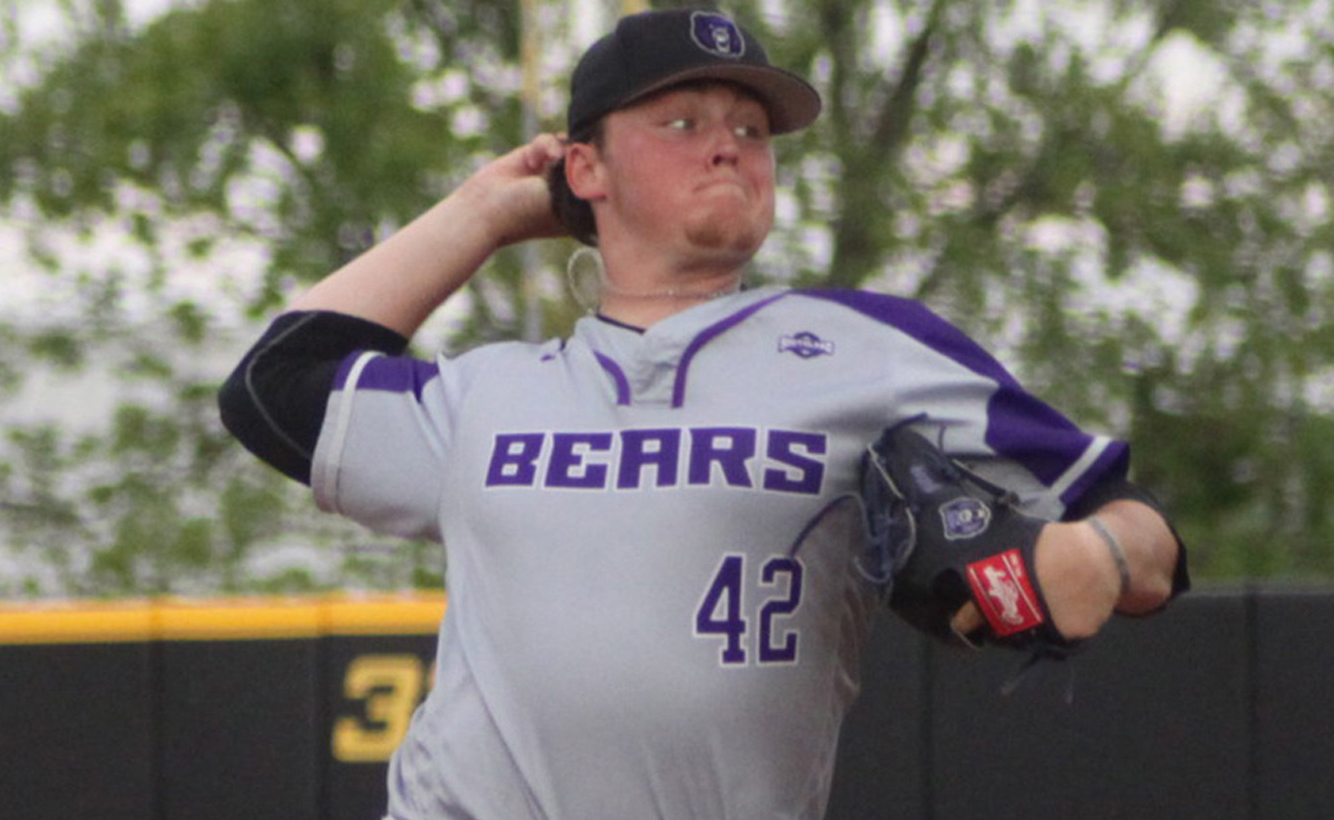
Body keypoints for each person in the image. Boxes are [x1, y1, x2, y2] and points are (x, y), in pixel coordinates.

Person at [218, 9, 1187, 819]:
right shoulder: (483, 393)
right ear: (583, 170)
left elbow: (1144, 530)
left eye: (751, 128)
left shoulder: (870, 348)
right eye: (679, 121)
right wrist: (479, 212)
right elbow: (272, 384)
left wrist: (1099, 553)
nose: (728, 140)